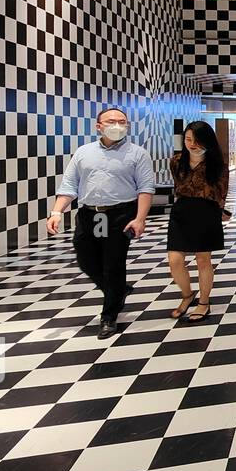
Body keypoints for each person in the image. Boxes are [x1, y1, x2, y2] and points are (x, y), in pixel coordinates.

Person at [45, 107, 155, 339]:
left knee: (113, 264)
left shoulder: (137, 154)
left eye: (122, 122)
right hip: (91, 215)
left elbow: (145, 189)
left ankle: (109, 316)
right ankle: (117, 291)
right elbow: (69, 186)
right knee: (87, 260)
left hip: (120, 215)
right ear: (98, 126)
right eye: (111, 121)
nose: (117, 125)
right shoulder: (84, 153)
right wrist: (56, 212)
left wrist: (140, 218)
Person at [167, 121, 232, 322]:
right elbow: (178, 185)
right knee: (175, 260)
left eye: (197, 140)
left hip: (206, 213)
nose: (192, 144)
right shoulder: (176, 161)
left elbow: (221, 191)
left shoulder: (217, 165)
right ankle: (187, 294)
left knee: (203, 260)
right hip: (181, 212)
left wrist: (221, 211)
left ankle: (204, 302)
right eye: (188, 139)